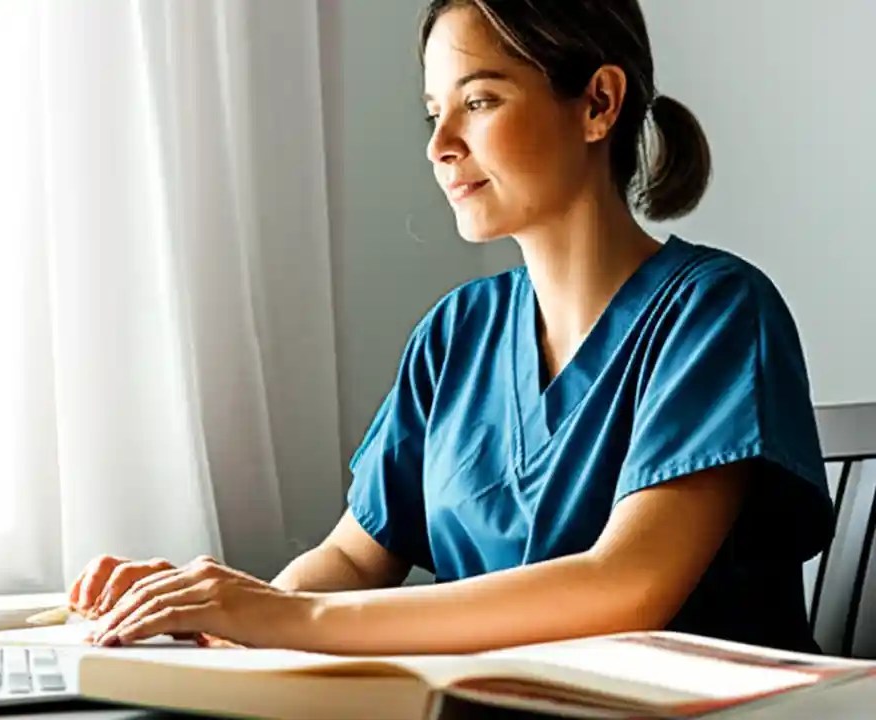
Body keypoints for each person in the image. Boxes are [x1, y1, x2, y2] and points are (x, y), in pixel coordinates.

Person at [67, 0, 834, 655]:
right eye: (435, 113)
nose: (440, 147)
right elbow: (352, 557)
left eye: (480, 101)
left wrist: (288, 617)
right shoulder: (454, 333)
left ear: (598, 103)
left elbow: (624, 587)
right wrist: (211, 620)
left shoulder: (716, 311)